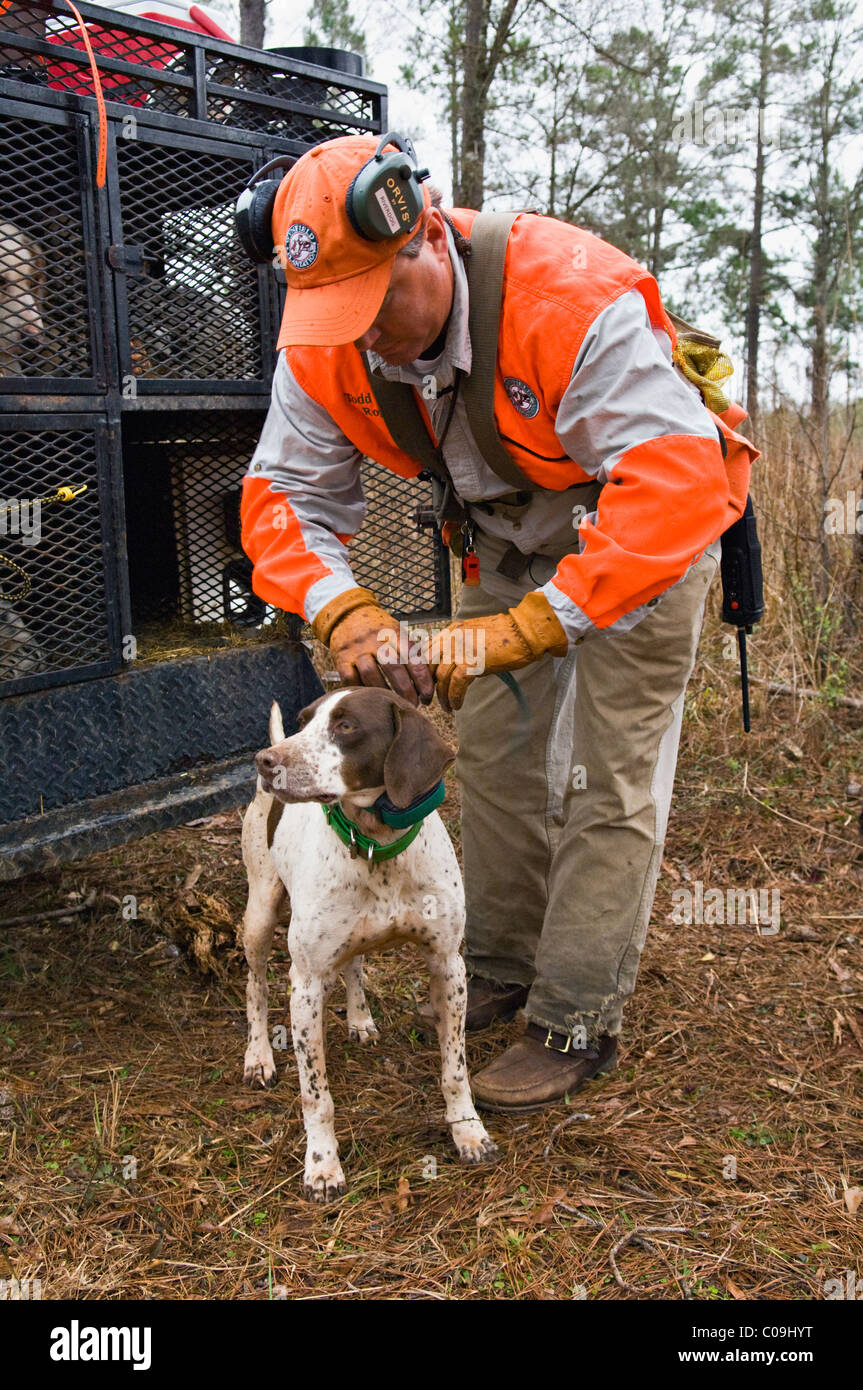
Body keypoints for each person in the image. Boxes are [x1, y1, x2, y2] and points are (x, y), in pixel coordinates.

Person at [240, 133, 757, 1114]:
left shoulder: (567, 296)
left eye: (377, 303)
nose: (364, 338)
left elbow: (671, 482)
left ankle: (573, 1016)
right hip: (501, 536)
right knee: (497, 750)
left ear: (426, 238)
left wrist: (526, 631)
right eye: (336, 316)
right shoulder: (322, 342)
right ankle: (504, 964)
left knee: (605, 774)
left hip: (636, 536)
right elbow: (281, 496)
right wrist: (341, 608)